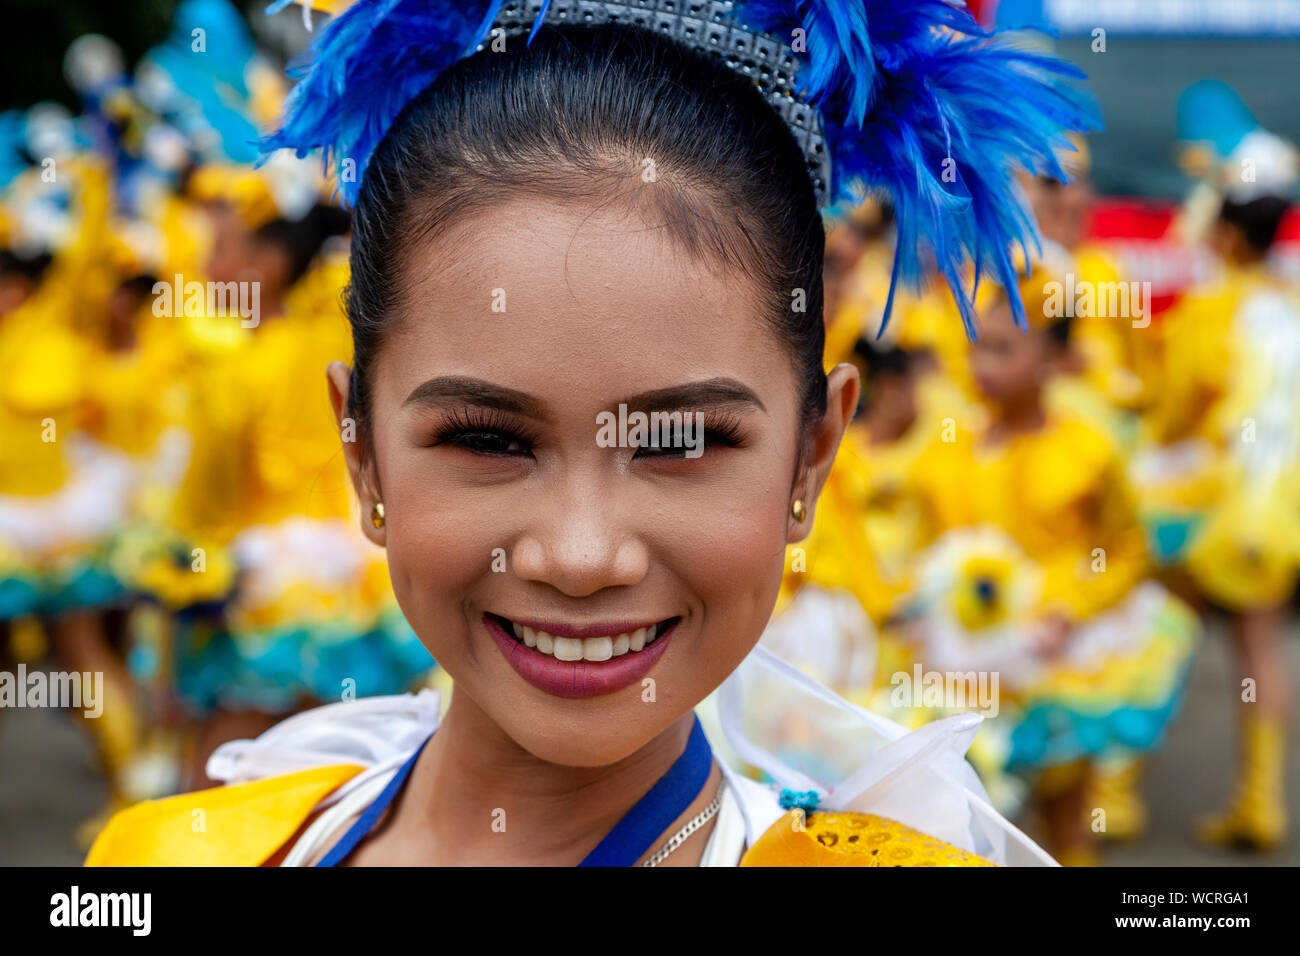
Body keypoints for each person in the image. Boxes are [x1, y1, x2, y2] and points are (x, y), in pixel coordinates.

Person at [88, 0, 1094, 867]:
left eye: (680, 440)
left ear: (811, 453)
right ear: (360, 448)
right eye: (487, 438)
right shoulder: (174, 856)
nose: (579, 554)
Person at [903, 276, 1198, 865]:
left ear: (1054, 359)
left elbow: (1129, 549)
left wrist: (1077, 609)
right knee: (970, 825)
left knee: (1067, 825)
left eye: (1004, 349)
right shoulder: (946, 448)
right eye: (976, 346)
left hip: (1062, 655)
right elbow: (924, 553)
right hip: (967, 661)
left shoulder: (1087, 449)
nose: (982, 364)